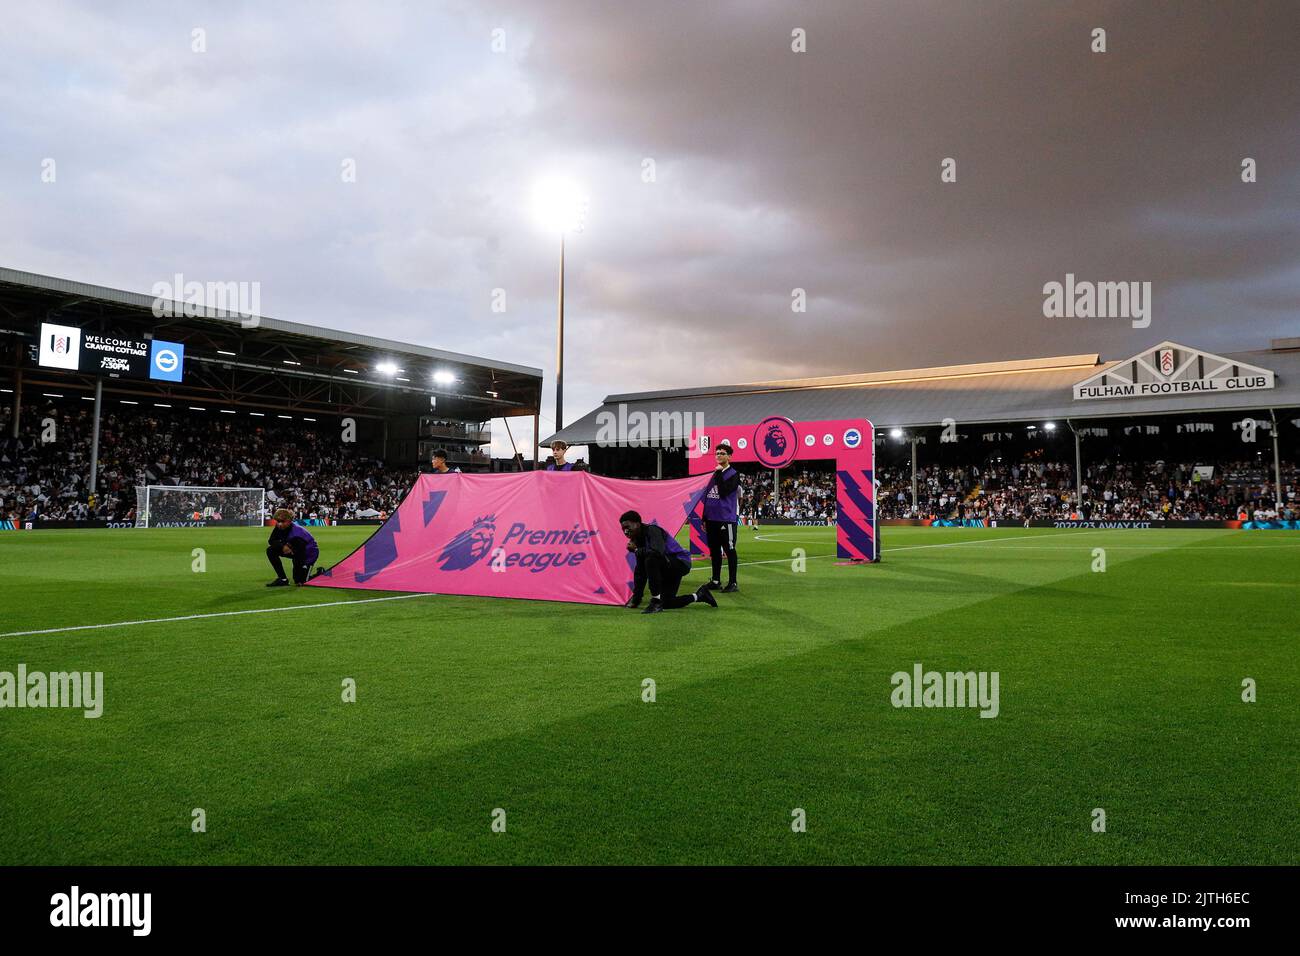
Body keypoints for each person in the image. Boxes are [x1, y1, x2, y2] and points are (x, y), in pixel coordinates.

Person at [620, 510, 716, 614]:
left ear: (637, 524)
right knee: (666, 603)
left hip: (680, 563)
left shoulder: (652, 530)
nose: (625, 531)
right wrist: (637, 597)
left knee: (650, 559)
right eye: (623, 529)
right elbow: (640, 571)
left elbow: (657, 553)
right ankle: (699, 595)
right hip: (668, 567)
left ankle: (655, 602)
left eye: (627, 527)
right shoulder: (638, 539)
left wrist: (636, 550)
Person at [702, 442, 740, 593]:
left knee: (729, 550)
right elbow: (708, 497)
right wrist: (705, 517)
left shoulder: (733, 474)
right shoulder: (713, 475)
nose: (719, 455)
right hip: (712, 519)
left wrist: (718, 473)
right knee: (714, 551)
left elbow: (723, 492)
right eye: (717, 453)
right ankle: (716, 580)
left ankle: (733, 583)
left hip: (726, 519)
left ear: (729, 456)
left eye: (722, 453)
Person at [266, 508, 321, 586]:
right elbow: (271, 541)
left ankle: (320, 574)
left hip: (308, 554)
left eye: (282, 521)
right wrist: (283, 547)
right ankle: (283, 579)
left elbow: (300, 556)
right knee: (270, 550)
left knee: (301, 581)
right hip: (294, 550)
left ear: (289, 521)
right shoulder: (278, 527)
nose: (279, 524)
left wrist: (298, 575)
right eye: (278, 521)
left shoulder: (297, 533)